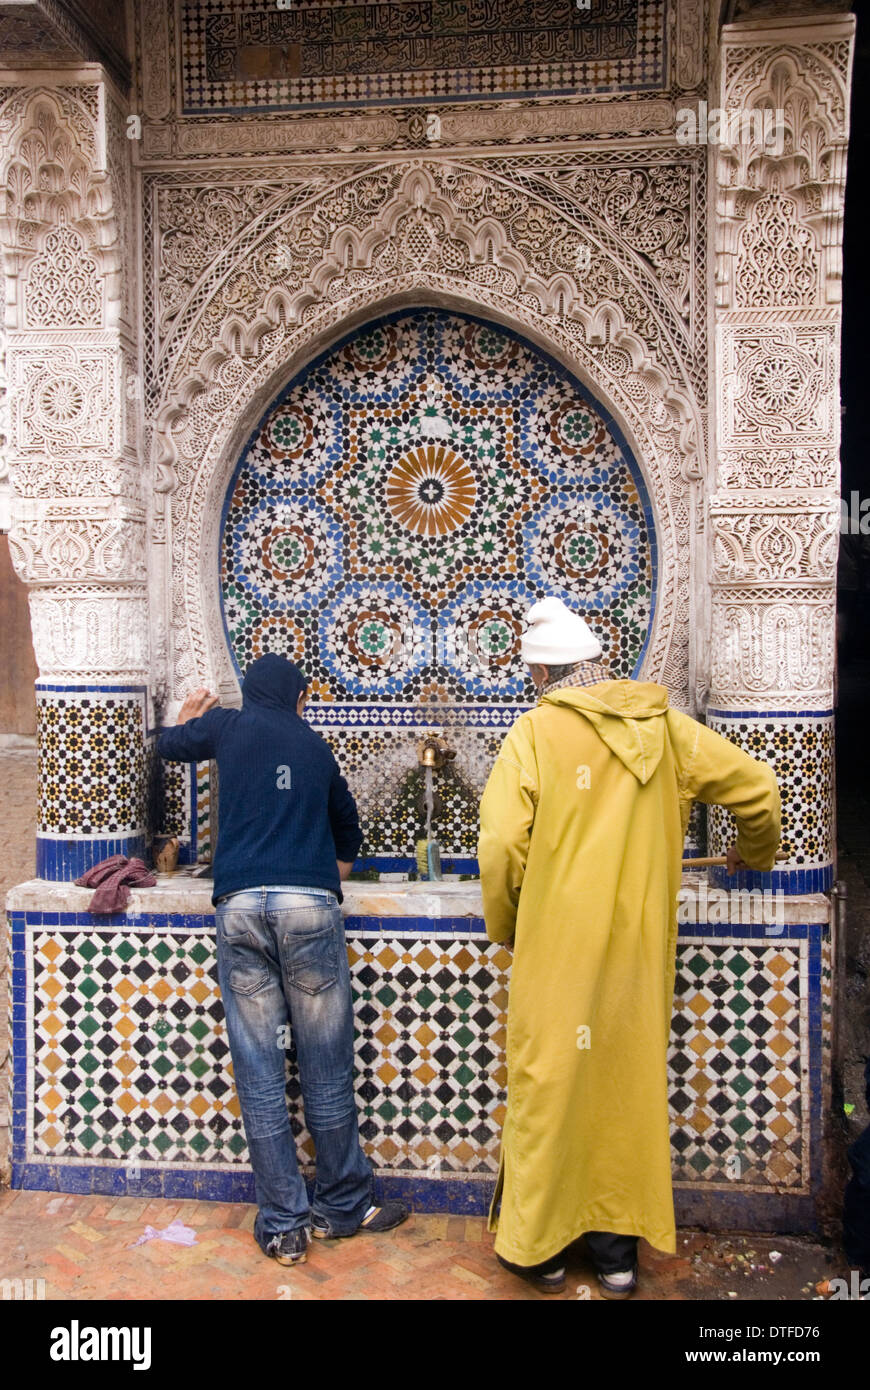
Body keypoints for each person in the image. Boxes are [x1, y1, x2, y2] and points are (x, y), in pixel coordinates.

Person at [477, 597, 781, 1298]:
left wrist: (510, 922)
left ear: (547, 670)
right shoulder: (668, 729)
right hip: (639, 955)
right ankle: (617, 1258)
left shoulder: (534, 734)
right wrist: (755, 855)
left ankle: (542, 1253)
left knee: (550, 1087)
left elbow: (499, 844)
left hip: (557, 951)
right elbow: (759, 787)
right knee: (621, 1090)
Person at [157, 653, 408, 1266]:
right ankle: (345, 1204)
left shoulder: (228, 727)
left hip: (240, 908)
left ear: (252, 693)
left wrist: (186, 716)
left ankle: (284, 1224)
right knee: (325, 1067)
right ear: (299, 698)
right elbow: (348, 834)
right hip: (311, 911)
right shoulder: (317, 748)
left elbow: (168, 747)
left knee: (260, 1074)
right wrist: (321, 874)